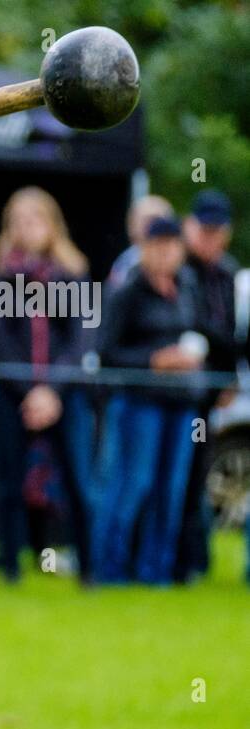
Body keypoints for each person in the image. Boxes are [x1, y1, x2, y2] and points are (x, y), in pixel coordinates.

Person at [0, 187, 94, 582]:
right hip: (15, 392)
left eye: (34, 220)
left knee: (79, 482)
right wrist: (29, 390)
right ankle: (11, 566)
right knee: (10, 483)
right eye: (18, 222)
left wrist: (52, 390)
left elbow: (82, 339)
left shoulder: (74, 273)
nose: (26, 229)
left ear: (52, 225)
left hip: (65, 395)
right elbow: (0, 340)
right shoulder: (1, 277)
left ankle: (88, 567)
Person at [92, 216, 205, 585]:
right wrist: (153, 360)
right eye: (158, 245)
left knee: (170, 489)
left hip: (181, 401)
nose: (165, 253)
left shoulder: (187, 287)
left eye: (172, 245)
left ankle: (156, 570)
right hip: (140, 402)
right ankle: (110, 567)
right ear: (144, 248)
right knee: (131, 484)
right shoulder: (128, 292)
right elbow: (106, 353)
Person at [174, 189, 238, 583]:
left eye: (219, 231)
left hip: (210, 392)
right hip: (181, 390)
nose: (211, 239)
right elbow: (197, 328)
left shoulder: (227, 273)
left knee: (197, 475)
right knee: (176, 478)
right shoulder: (180, 270)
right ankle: (178, 562)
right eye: (206, 230)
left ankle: (195, 561)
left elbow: (224, 329)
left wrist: (227, 376)